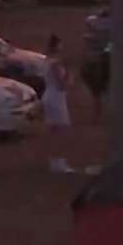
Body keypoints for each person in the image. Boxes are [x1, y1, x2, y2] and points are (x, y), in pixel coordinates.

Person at [42, 35, 75, 174]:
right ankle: (60, 163)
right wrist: (69, 77)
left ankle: (53, 161)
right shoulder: (55, 63)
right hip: (56, 97)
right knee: (62, 131)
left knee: (53, 131)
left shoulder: (46, 61)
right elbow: (62, 85)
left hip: (49, 95)